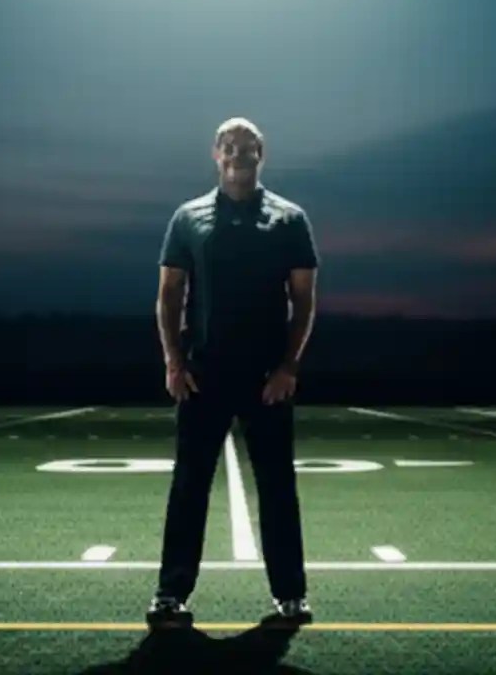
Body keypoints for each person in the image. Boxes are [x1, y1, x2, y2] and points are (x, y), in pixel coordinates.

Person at [149, 117, 320, 628]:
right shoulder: (188, 217)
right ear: (215, 154)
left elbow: (305, 299)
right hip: (204, 375)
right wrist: (174, 361)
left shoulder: (290, 219)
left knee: (277, 487)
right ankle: (170, 594)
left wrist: (289, 366)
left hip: (267, 379)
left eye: (247, 147)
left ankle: (291, 594)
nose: (238, 155)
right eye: (229, 147)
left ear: (261, 154)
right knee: (189, 486)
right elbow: (169, 294)